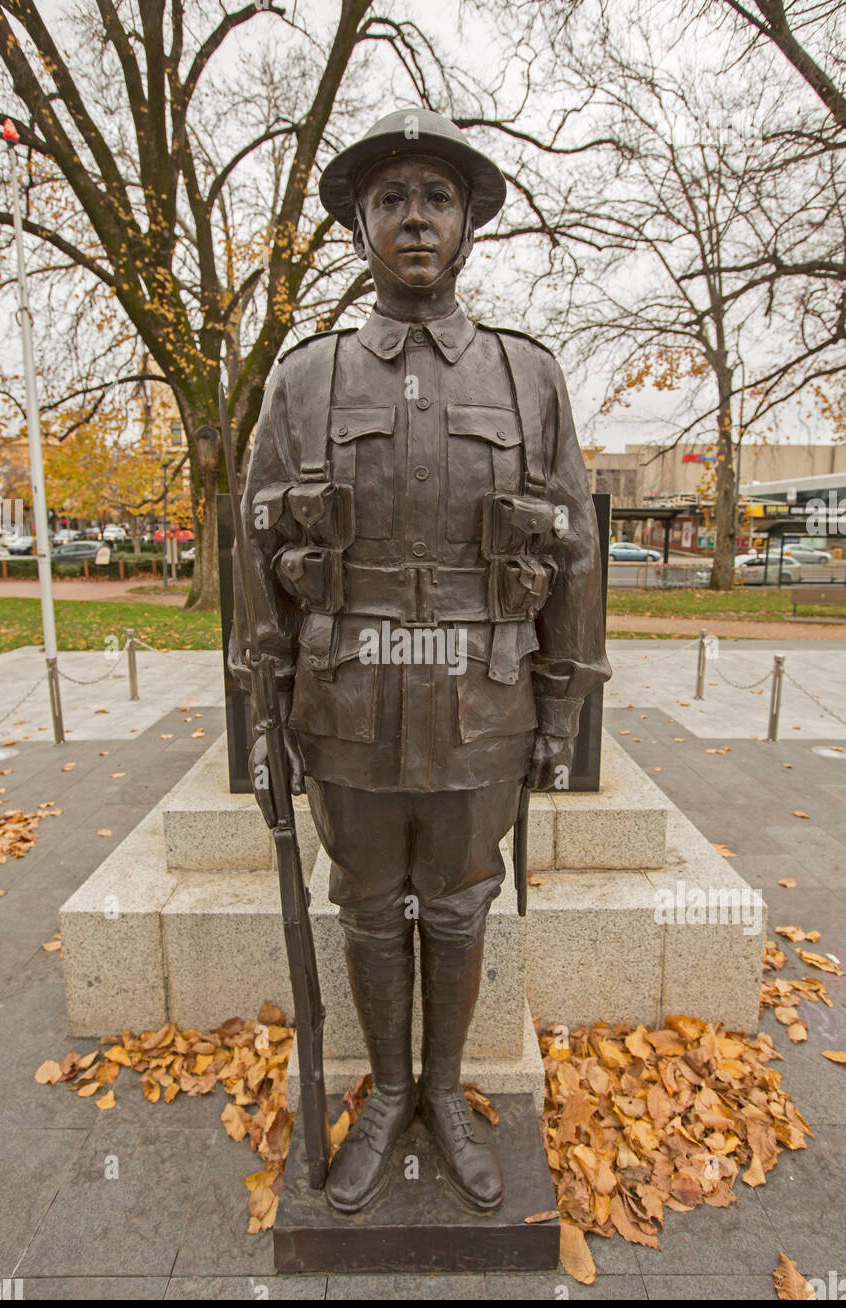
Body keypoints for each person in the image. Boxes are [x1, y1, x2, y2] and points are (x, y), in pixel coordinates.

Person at [230, 108, 611, 1214]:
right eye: (388, 200)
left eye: (434, 200)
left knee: (454, 902)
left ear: (466, 229)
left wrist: (558, 712)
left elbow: (574, 557)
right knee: (362, 900)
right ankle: (387, 1088)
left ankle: (444, 1090)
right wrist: (265, 715)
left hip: (479, 695)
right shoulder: (306, 380)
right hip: (342, 694)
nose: (412, 219)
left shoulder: (525, 376)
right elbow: (256, 546)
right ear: (357, 230)